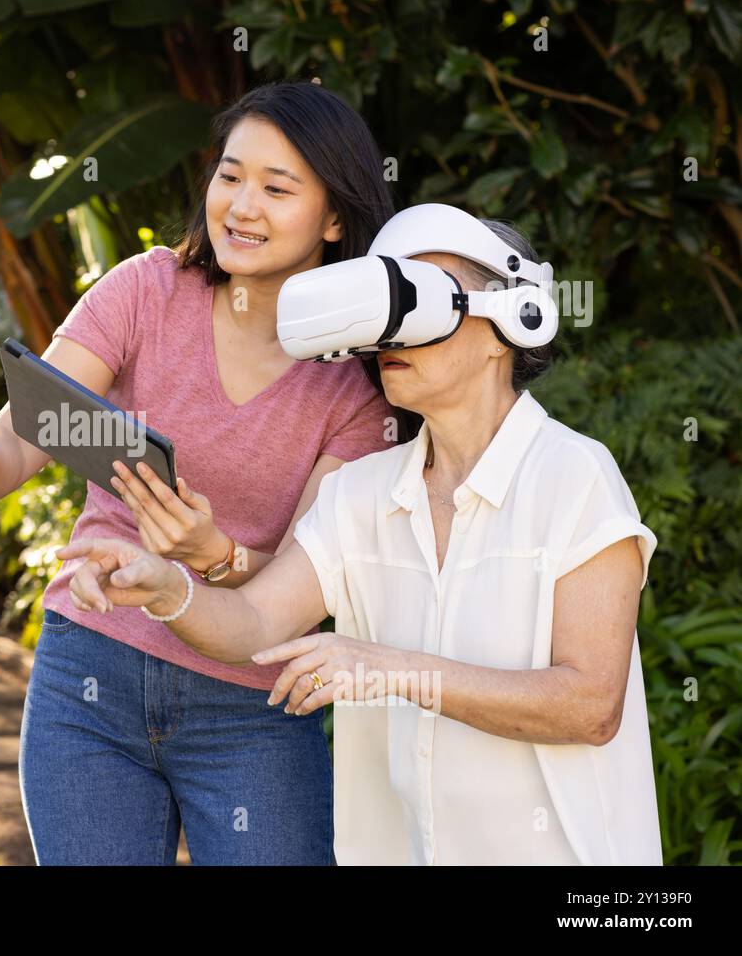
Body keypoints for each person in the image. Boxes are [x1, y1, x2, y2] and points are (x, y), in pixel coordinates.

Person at [0, 81, 396, 864]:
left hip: (251, 707)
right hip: (90, 676)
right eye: (230, 175)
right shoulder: (150, 290)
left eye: (276, 188)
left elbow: (297, 586)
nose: (241, 206)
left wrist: (208, 553)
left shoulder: (357, 393)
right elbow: (22, 441)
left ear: (333, 218)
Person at [57, 206, 663, 865]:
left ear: (507, 325)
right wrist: (166, 585)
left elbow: (590, 704)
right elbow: (255, 622)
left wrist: (389, 669)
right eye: (384, 310)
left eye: (418, 301)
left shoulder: (574, 477)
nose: (389, 337)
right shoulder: (361, 494)